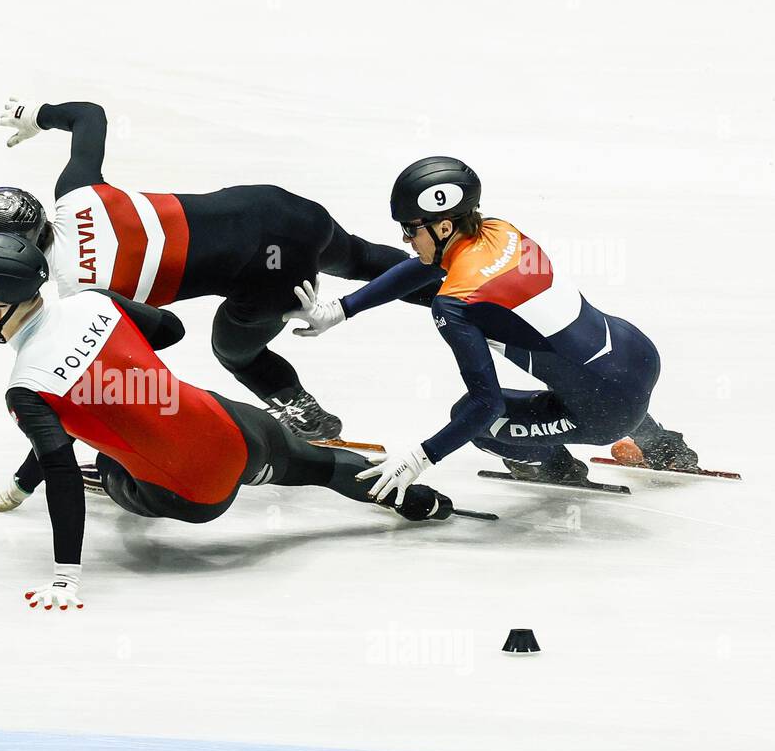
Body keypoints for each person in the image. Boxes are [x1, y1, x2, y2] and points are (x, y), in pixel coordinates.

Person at [0, 233, 457, 610]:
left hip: (193, 496)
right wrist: (123, 369)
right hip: (233, 427)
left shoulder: (26, 386)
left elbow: (58, 472)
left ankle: (114, 471)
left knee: (103, 452)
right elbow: (169, 330)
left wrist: (65, 576)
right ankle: (424, 503)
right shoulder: (92, 301)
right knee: (319, 465)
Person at [0, 97, 421, 440]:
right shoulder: (76, 193)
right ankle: (450, 276)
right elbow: (90, 115)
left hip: (269, 276)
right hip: (278, 207)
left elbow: (150, 355)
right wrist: (39, 115)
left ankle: (303, 413)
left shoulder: (82, 292)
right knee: (360, 258)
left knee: (234, 351)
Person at [283, 156, 693, 503]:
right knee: (594, 377)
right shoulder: (500, 230)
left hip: (608, 412)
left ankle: (554, 466)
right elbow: (426, 265)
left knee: (472, 418)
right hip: (636, 352)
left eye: (410, 228)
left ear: (443, 228)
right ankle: (664, 447)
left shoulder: (456, 304)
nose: (407, 240)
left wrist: (421, 457)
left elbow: (487, 405)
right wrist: (341, 309)